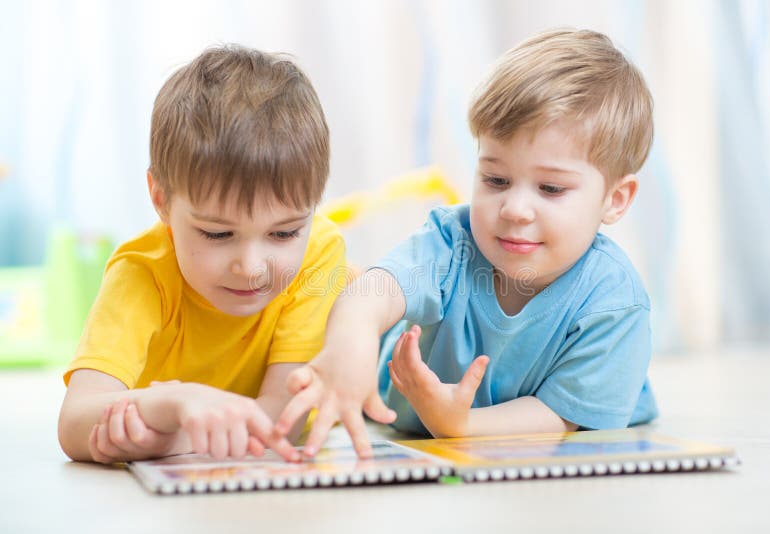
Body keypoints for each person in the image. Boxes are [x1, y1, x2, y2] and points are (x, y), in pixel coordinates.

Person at [274, 28, 658, 456]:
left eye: (550, 188)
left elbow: (560, 417)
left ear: (615, 199)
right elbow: (375, 293)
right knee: (355, 292)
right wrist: (353, 339)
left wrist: (460, 424)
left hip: (542, 415)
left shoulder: (614, 300)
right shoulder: (453, 241)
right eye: (495, 179)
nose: (514, 209)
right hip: (395, 395)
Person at [57, 44, 395, 464]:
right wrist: (173, 403)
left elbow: (286, 418)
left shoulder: (319, 252)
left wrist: (175, 436)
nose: (251, 268)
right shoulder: (141, 275)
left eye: (285, 232)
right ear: (161, 199)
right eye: (217, 234)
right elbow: (74, 423)